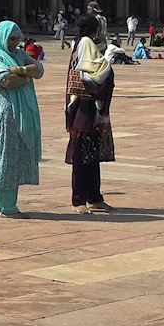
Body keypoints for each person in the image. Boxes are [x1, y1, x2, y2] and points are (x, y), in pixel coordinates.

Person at [0, 19, 43, 218]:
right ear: (1, 37)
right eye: (11, 38)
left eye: (17, 38)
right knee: (6, 158)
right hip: (5, 116)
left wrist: (21, 71)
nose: (14, 42)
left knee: (9, 157)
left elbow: (39, 70)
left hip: (21, 113)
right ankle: (7, 206)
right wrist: (26, 76)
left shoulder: (18, 55)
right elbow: (8, 81)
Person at [66, 13, 116, 212]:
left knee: (91, 153)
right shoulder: (86, 42)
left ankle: (94, 197)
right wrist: (109, 60)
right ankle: (79, 200)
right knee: (81, 155)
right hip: (84, 108)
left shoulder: (79, 42)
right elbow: (95, 69)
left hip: (87, 107)